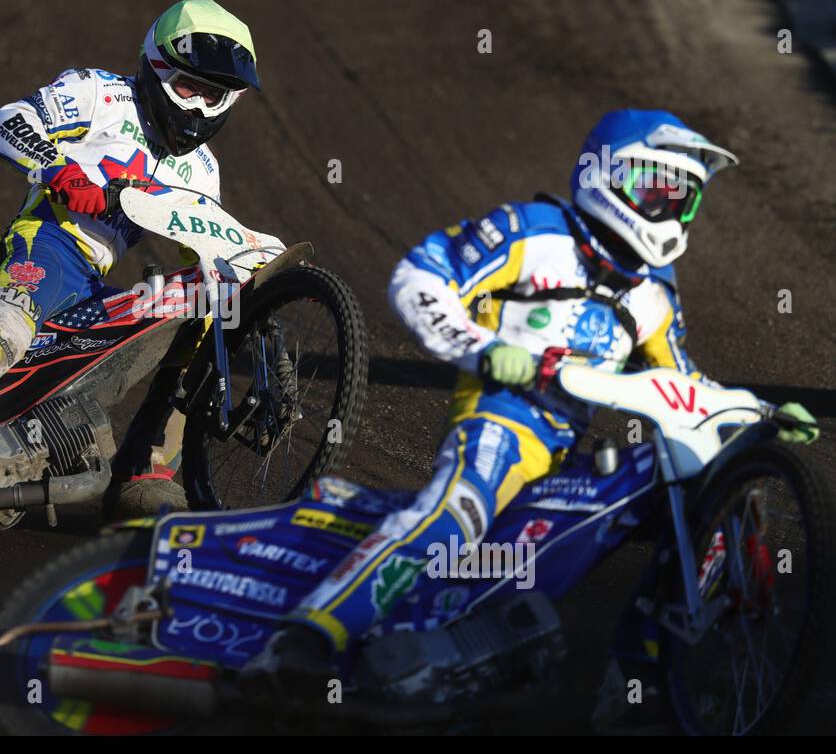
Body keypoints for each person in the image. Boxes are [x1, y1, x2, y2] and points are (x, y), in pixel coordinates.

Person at [244, 109, 820, 688]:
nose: (667, 206)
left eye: (682, 197)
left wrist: (756, 413)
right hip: (502, 420)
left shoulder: (655, 295)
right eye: (655, 185)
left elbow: (684, 384)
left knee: (694, 484)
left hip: (566, 451)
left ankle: (639, 674)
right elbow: (418, 276)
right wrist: (482, 348)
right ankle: (306, 636)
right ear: (608, 174)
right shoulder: (535, 230)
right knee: (455, 514)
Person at [0, 0, 261, 516]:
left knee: (195, 316)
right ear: (156, 69)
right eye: (188, 86)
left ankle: (145, 472)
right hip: (49, 241)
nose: (195, 106)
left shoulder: (202, 170)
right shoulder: (102, 94)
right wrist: (58, 169)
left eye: (212, 94)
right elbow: (6, 121)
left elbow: (203, 252)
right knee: (7, 332)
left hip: (96, 284)